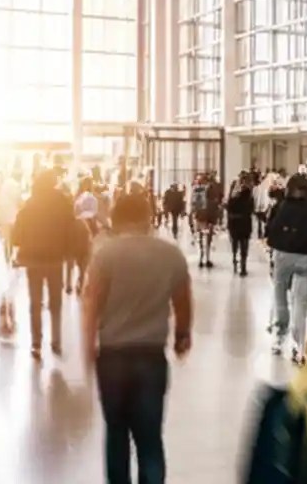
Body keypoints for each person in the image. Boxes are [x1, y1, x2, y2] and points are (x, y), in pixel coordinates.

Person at [82, 192, 192, 484]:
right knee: (150, 437)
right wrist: (182, 336)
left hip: (113, 356)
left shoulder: (105, 255)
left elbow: (91, 304)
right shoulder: (171, 254)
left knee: (116, 432)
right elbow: (182, 303)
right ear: (147, 218)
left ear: (116, 220)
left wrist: (88, 346)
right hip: (151, 356)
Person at [14, 169, 78, 359]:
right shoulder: (63, 202)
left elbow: (17, 235)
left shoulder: (29, 203)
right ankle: (56, 340)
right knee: (55, 302)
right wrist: (69, 251)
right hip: (55, 258)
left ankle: (36, 343)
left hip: (33, 258)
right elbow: (71, 228)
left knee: (35, 302)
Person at [265, 174, 307, 364]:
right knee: (301, 303)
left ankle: (279, 336)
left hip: (283, 256)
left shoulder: (281, 207)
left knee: (280, 297)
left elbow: (270, 232)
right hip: (306, 259)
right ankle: (298, 345)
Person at [225, 174, 255, 277]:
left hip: (235, 222)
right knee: (243, 245)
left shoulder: (233, 195)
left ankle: (236, 260)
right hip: (244, 222)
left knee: (236, 243)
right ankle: (242, 265)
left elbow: (228, 207)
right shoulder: (248, 194)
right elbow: (251, 208)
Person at [0, 175, 22, 265]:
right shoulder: (15, 187)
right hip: (14, 217)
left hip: (4, 218)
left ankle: (8, 256)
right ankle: (12, 256)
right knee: (13, 238)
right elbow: (19, 202)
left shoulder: (2, 192)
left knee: (6, 239)